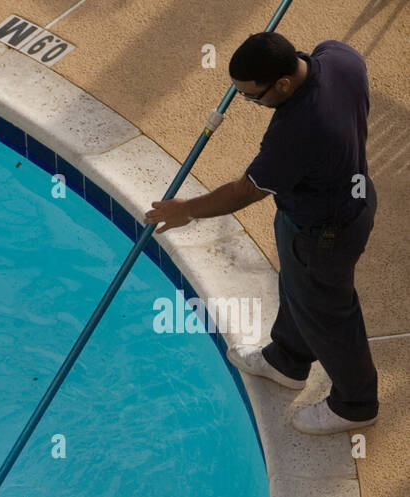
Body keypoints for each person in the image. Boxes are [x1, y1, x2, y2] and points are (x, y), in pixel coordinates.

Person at [145, 32, 378, 435]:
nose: (251, 104)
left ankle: (356, 404)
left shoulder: (297, 132)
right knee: (299, 290)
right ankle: (287, 359)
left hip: (325, 231)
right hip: (343, 196)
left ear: (283, 84)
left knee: (330, 313)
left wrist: (186, 211)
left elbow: (244, 192)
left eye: (253, 97)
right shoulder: (339, 57)